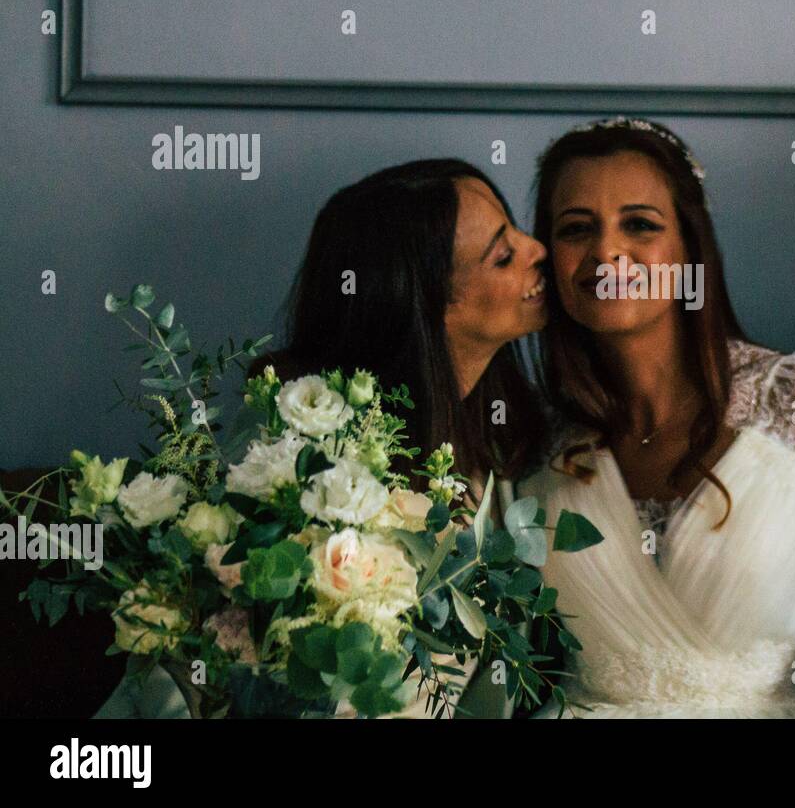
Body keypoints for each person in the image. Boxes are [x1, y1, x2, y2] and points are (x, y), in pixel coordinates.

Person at [96, 158, 550, 718]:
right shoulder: (289, 460)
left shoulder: (492, 452)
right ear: (429, 307)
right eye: (503, 255)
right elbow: (199, 670)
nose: (538, 250)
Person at [518, 116, 795, 717]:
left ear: (690, 247)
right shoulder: (537, 435)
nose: (607, 251)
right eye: (576, 229)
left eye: (639, 224)